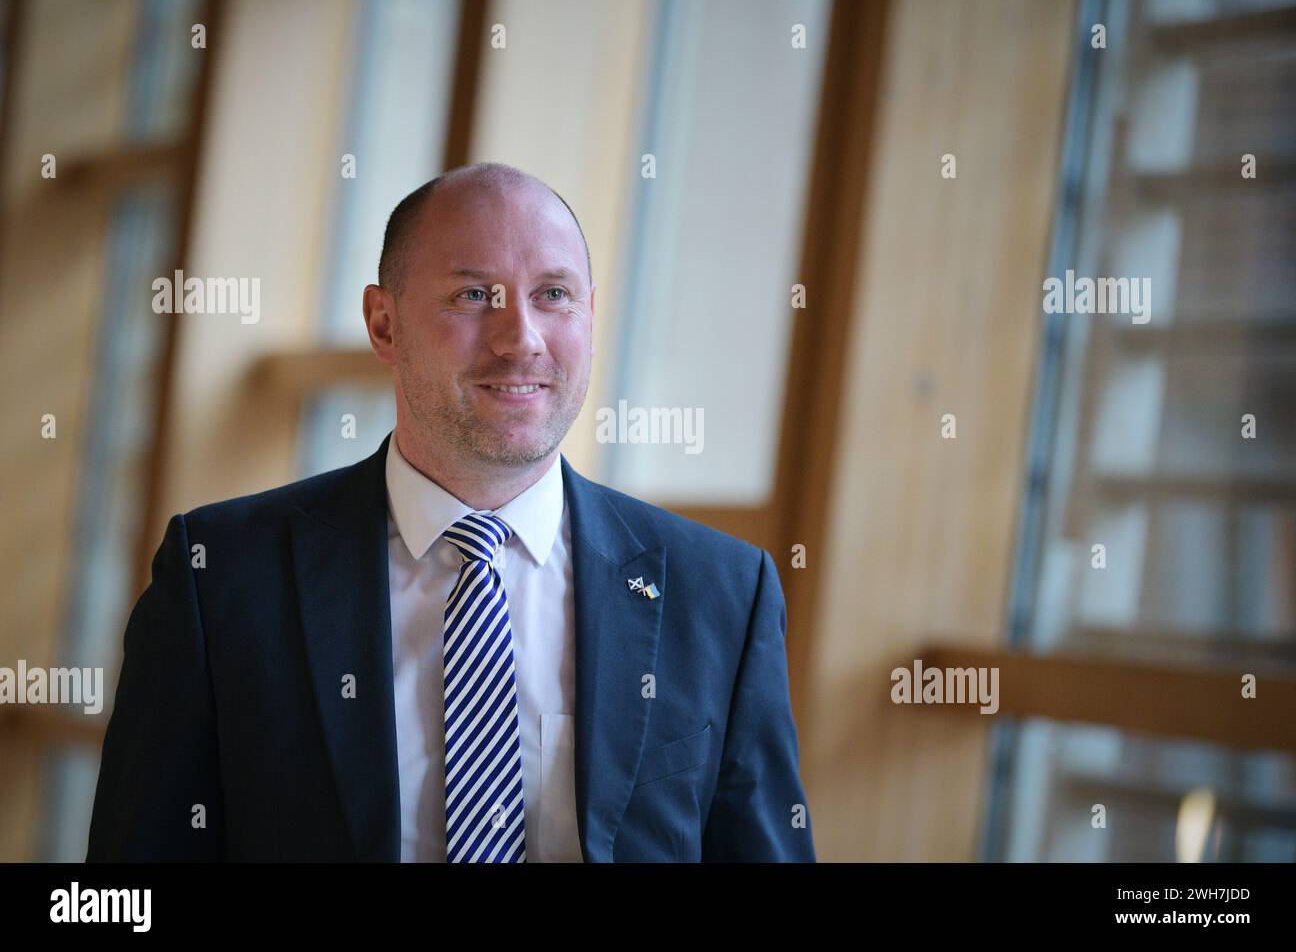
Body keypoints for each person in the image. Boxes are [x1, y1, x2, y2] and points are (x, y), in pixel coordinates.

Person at [86, 162, 815, 862]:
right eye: (474, 296)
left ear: (591, 317)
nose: (520, 338)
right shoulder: (221, 576)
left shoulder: (721, 593)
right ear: (384, 324)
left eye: (554, 295)